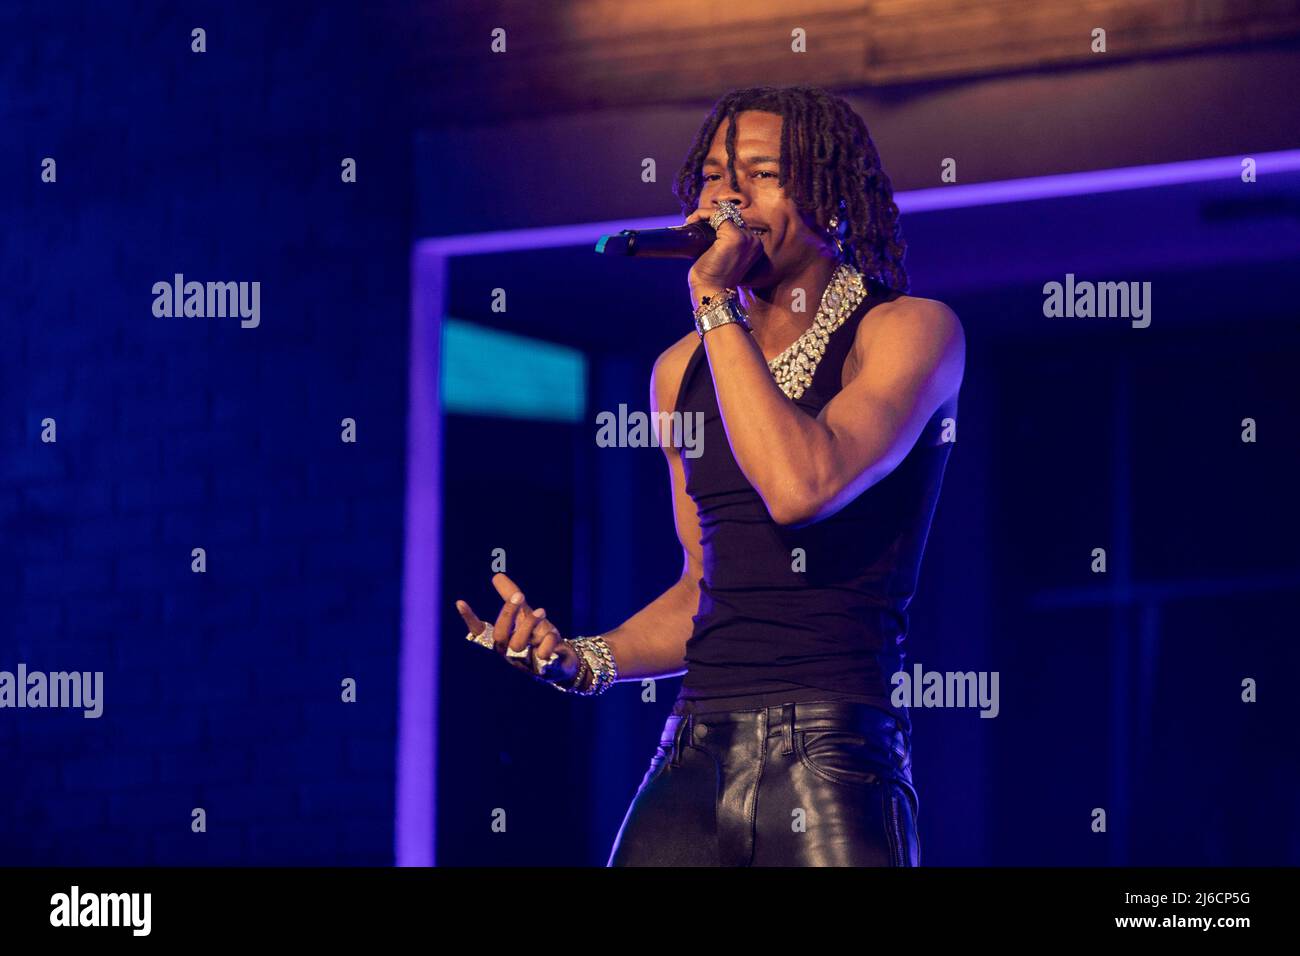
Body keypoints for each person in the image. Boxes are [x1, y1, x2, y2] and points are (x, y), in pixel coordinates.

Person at [455, 85, 965, 866]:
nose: (727, 196)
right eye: (715, 176)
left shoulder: (907, 331)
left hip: (831, 759)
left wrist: (715, 302)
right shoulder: (679, 373)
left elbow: (802, 487)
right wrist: (581, 659)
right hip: (691, 756)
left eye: (761, 174)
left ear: (829, 201)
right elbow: (704, 588)